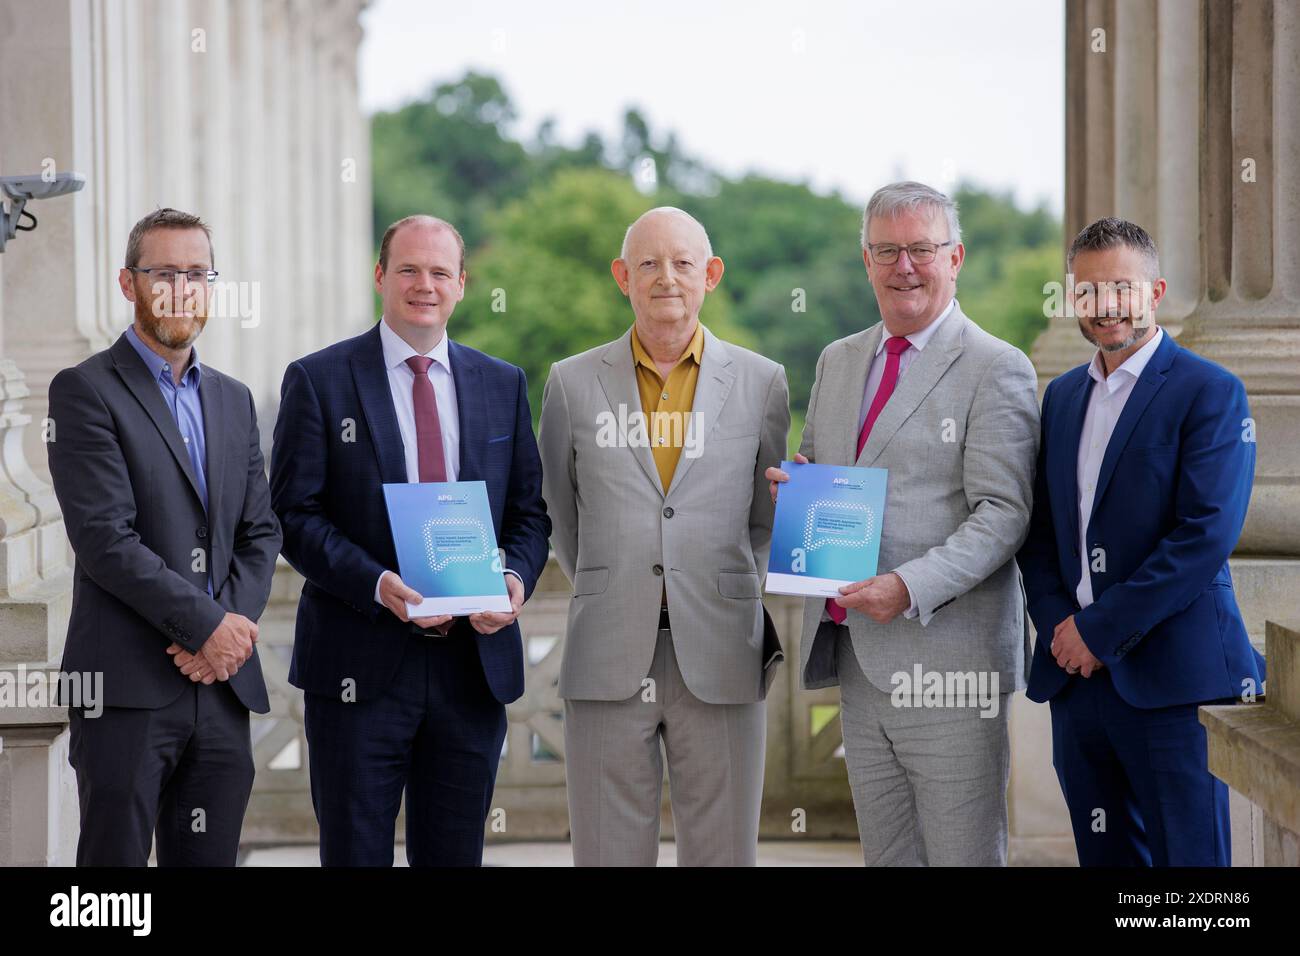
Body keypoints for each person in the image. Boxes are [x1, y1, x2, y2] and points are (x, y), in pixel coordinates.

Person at [767, 181, 1039, 865]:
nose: (904, 267)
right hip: (857, 659)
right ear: (866, 260)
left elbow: (1004, 513)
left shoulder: (996, 367)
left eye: (921, 248)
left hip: (950, 663)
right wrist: (797, 492)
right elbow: (834, 471)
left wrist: (908, 586)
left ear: (957, 257)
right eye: (886, 251)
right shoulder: (838, 359)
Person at [270, 215, 551, 866]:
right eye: (408, 269)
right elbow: (294, 513)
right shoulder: (319, 379)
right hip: (358, 667)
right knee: (354, 855)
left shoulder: (501, 383)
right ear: (380, 277)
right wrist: (375, 583)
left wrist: (512, 582)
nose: (424, 284)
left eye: (439, 272)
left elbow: (528, 515)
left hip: (471, 669)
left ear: (461, 285)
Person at [539, 207, 789, 866]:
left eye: (681, 263)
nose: (665, 278)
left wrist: (721, 584)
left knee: (723, 854)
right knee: (606, 853)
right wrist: (617, 579)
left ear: (710, 274)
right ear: (623, 276)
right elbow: (564, 515)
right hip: (607, 651)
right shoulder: (569, 384)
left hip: (723, 648)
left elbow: (765, 519)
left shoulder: (764, 384)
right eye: (648, 263)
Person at [1018, 216, 1265, 866]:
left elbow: (1203, 536)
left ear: (1154, 292)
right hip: (1077, 685)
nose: (1106, 306)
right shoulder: (1063, 398)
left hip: (1174, 684)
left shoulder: (1209, 392)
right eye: (1090, 291)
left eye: (1122, 288)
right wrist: (1060, 631)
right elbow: (1041, 533)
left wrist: (1098, 630)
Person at [48, 207, 281, 865]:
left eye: (197, 273)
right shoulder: (85, 391)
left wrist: (226, 634)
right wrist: (207, 628)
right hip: (126, 687)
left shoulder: (234, 400)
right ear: (129, 284)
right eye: (164, 273)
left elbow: (260, 531)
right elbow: (104, 539)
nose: (181, 288)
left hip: (222, 688)